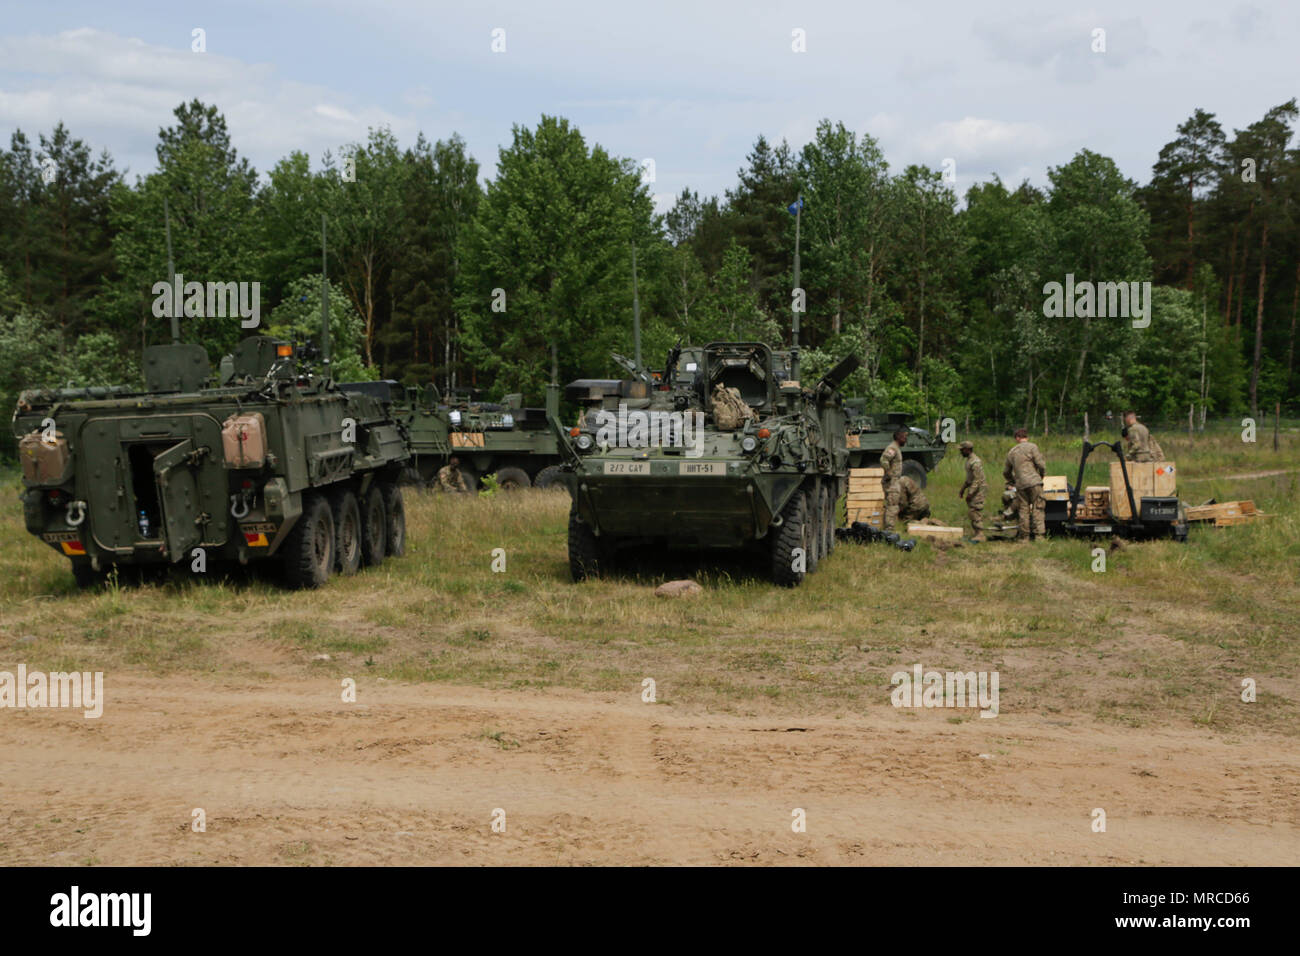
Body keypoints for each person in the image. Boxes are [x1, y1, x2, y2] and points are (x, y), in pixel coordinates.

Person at [1003, 428, 1046, 542]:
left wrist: (1012, 481)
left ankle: (1024, 537)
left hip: (1021, 485)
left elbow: (1006, 472)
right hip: (1034, 482)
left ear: (1017, 438)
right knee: (1038, 509)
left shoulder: (1012, 452)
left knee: (1023, 510)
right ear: (1026, 436)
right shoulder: (1032, 447)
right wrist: (1041, 476)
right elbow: (1041, 464)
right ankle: (1039, 537)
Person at [957, 440, 987, 542]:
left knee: (974, 510)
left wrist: (970, 493)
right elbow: (969, 478)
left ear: (967, 450)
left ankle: (980, 534)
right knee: (972, 511)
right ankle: (976, 533)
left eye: (962, 450)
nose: (961, 452)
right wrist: (963, 489)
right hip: (973, 489)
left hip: (978, 490)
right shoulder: (969, 461)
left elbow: (977, 480)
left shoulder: (975, 462)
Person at [878, 428, 908, 531]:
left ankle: (888, 526)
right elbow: (884, 459)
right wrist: (889, 472)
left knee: (893, 504)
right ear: (899, 437)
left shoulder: (896, 448)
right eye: (904, 437)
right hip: (892, 481)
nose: (906, 439)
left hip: (895, 480)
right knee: (892, 505)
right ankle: (889, 529)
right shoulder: (893, 448)